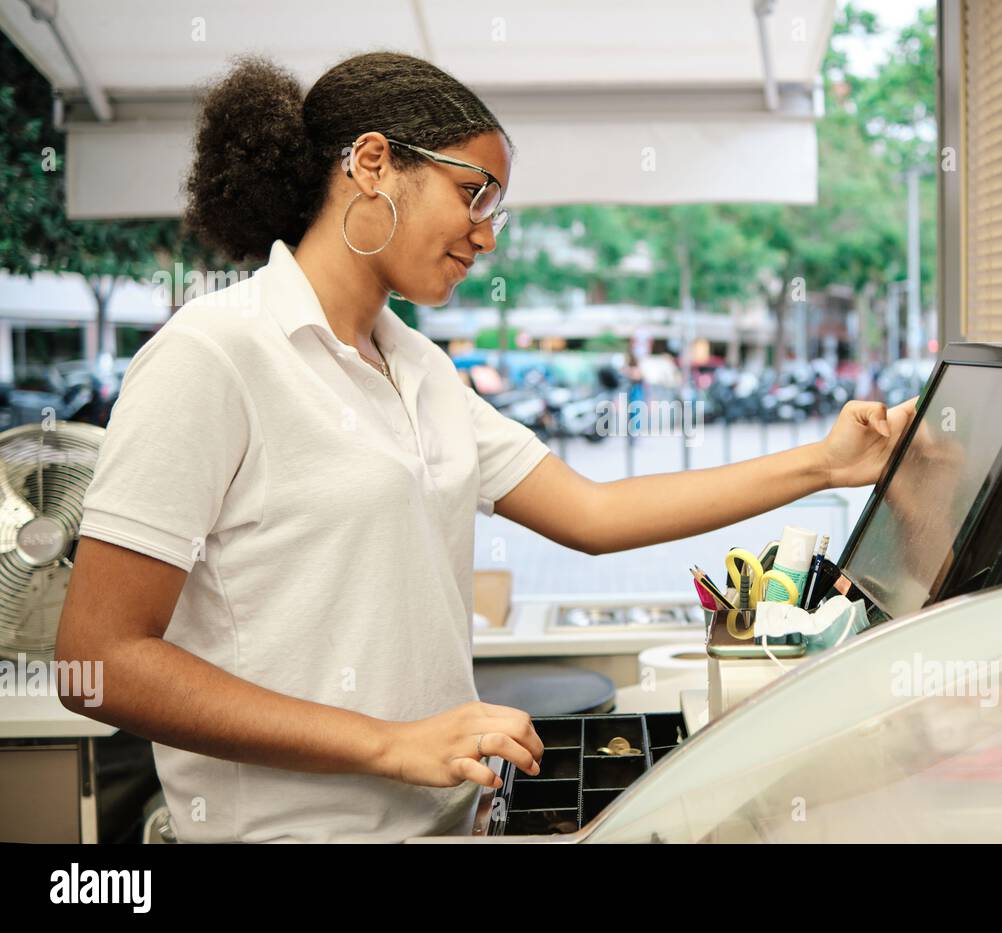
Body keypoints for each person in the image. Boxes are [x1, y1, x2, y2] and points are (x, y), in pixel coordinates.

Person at [56, 51, 918, 843]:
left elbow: (595, 512)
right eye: (474, 194)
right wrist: (389, 744)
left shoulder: (420, 366)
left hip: (450, 821)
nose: (488, 234)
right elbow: (97, 658)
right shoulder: (212, 355)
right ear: (371, 163)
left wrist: (828, 464)